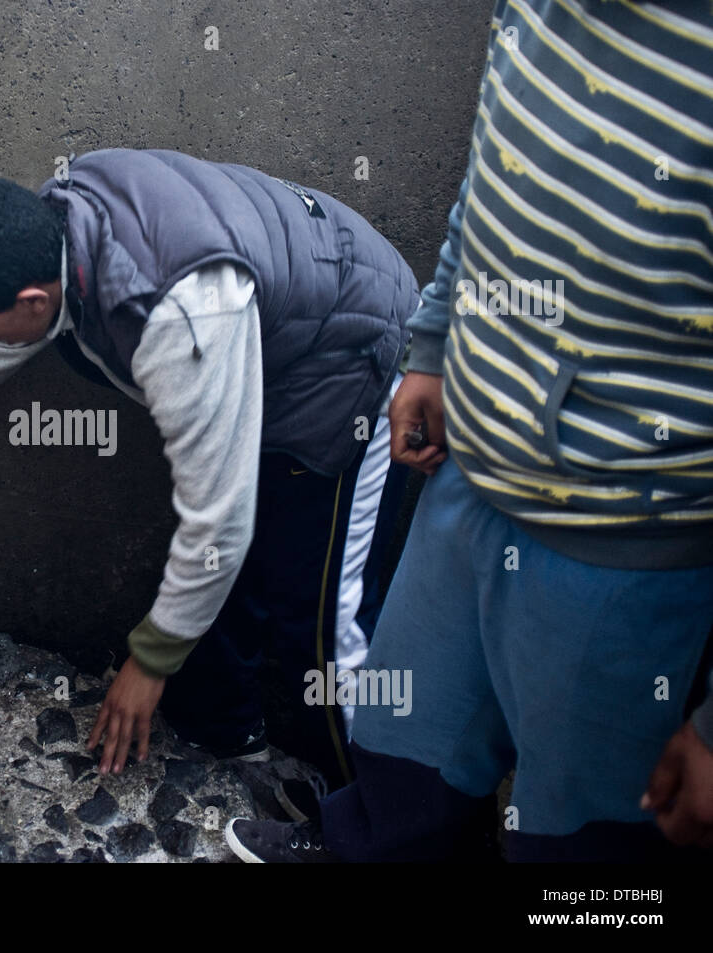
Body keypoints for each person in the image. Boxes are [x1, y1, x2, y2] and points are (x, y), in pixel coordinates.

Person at [226, 0, 713, 863]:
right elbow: (495, 172)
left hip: (623, 545)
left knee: (583, 828)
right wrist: (436, 342)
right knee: (408, 730)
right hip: (470, 470)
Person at [0, 148, 418, 786]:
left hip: (349, 372)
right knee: (234, 571)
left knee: (321, 627)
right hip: (263, 356)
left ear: (33, 301)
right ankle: (226, 736)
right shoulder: (58, 222)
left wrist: (147, 664)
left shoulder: (182, 317)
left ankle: (377, 816)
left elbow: (218, 525)